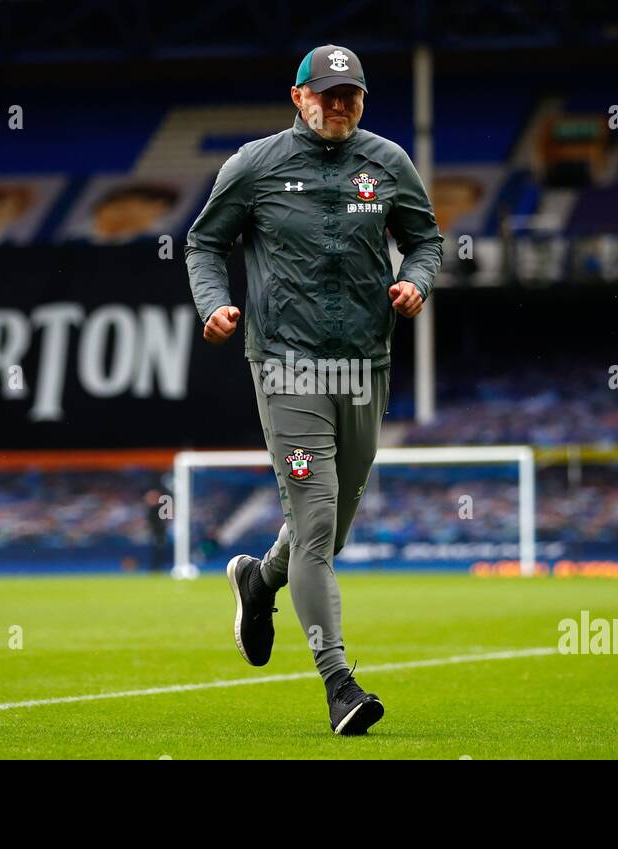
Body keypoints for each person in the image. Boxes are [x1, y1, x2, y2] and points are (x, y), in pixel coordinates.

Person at [184, 44, 443, 735]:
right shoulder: (255, 166)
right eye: (325, 93)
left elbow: (426, 239)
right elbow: (203, 243)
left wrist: (417, 281)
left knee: (321, 533)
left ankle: (258, 581)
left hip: (364, 368)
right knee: (317, 517)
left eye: (349, 95)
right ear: (297, 97)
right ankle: (339, 683)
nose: (338, 105)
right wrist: (213, 302)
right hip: (286, 367)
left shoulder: (389, 163)